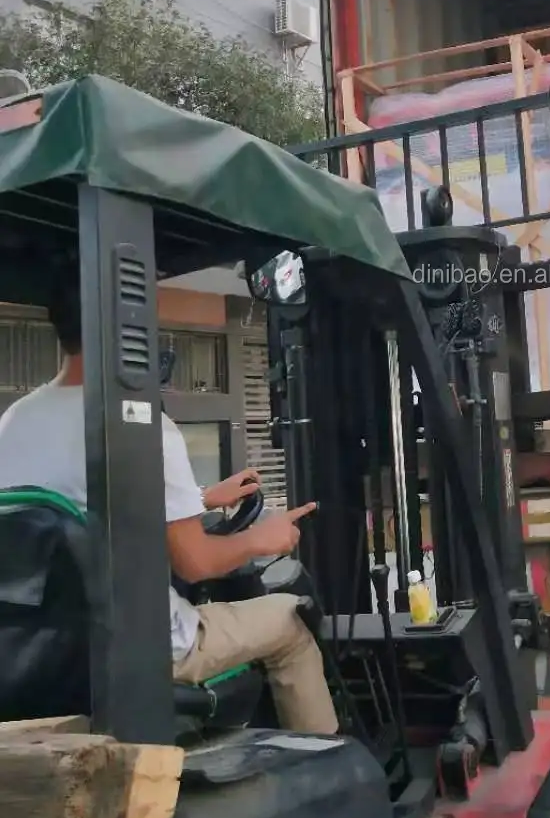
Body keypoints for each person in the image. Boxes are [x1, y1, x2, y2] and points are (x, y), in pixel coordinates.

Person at [0, 284, 338, 736]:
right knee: (291, 622)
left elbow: (82, 508)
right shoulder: (138, 424)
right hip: (144, 644)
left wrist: (195, 499)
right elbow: (195, 563)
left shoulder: (14, 421)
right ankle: (331, 777)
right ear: (130, 326)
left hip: (47, 650)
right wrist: (265, 537)